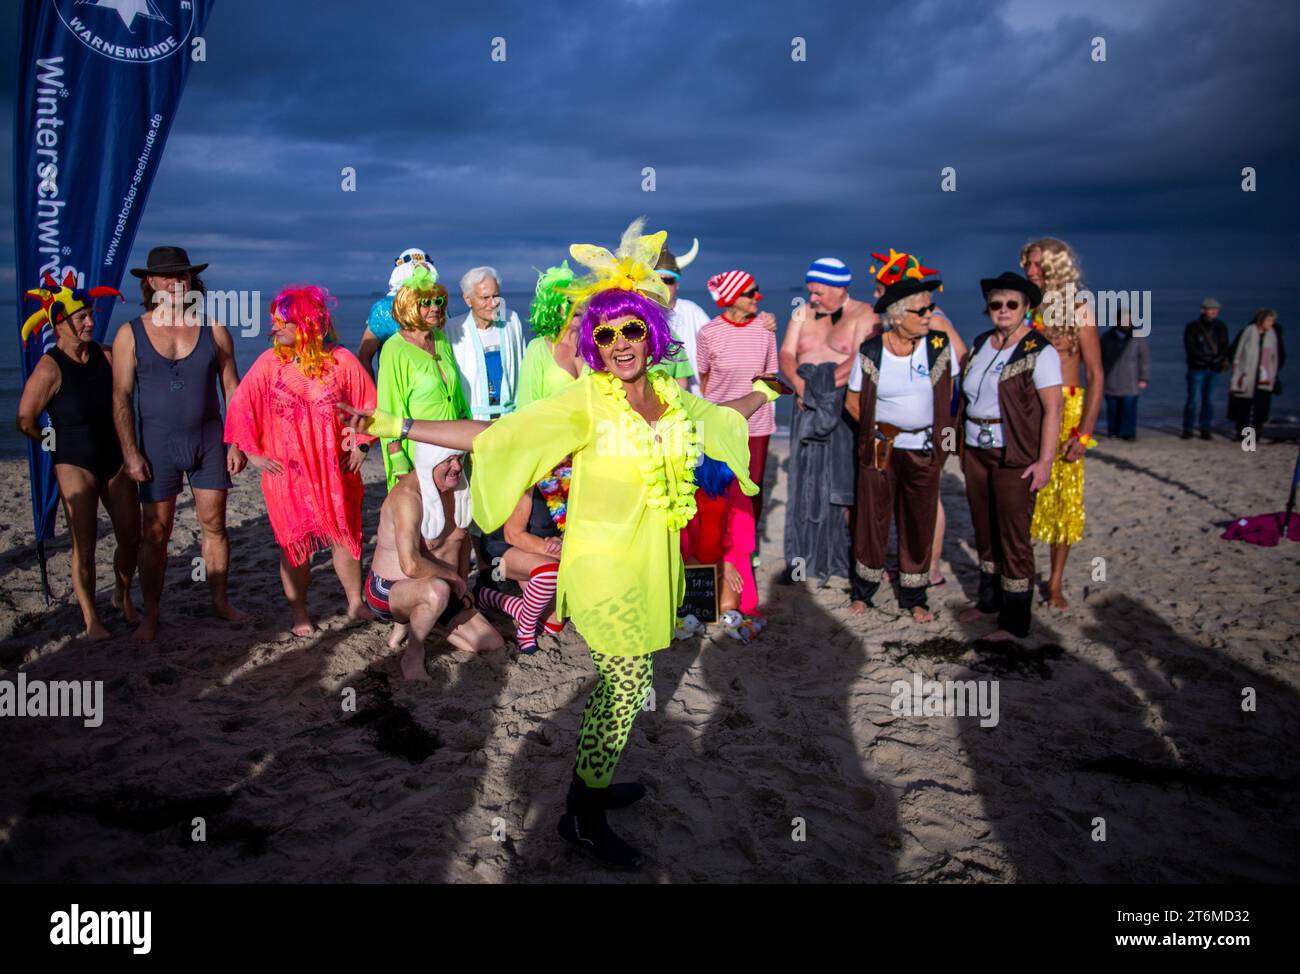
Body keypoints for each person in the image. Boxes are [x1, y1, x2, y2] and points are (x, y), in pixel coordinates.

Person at [341, 220, 786, 870]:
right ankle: (583, 812)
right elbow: (496, 433)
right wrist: (398, 422)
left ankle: (592, 786)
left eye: (632, 329)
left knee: (624, 687)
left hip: (651, 561)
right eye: (605, 334)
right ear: (595, 344)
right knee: (628, 681)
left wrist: (768, 390)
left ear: (651, 332)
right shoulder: (586, 403)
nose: (620, 343)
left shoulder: (668, 395)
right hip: (604, 564)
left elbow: (716, 418)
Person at [110, 246, 247, 643]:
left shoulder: (214, 330)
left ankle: (220, 602)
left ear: (192, 282)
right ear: (150, 282)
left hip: (208, 442)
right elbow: (120, 397)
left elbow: (232, 388)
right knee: (156, 533)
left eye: (182, 276)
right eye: (167, 276)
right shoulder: (129, 333)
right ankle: (151, 615)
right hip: (156, 447)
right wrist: (130, 452)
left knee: (215, 526)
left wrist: (235, 442)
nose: (176, 282)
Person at [223, 285, 377, 636]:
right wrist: (251, 453)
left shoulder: (342, 361)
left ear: (305, 324)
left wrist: (361, 445)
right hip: (286, 472)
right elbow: (241, 407)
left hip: (334, 469)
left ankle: (355, 602)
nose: (272, 329)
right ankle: (300, 614)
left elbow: (369, 404)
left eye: (280, 322)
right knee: (295, 543)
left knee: (345, 534)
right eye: (273, 322)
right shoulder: (268, 364)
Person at [17, 274, 140, 640]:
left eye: (90, 315)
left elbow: (129, 393)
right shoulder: (50, 367)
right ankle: (91, 618)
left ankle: (121, 594)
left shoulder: (104, 355)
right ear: (60, 324)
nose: (91, 322)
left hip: (114, 458)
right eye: (82, 317)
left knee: (131, 537)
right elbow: (24, 419)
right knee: (83, 544)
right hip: (74, 461)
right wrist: (49, 441)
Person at [957, 272, 1063, 642]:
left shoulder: (1040, 351)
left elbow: (1054, 409)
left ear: (1026, 308)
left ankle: (1014, 622)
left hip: (1014, 452)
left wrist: (1045, 461)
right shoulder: (981, 343)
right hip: (975, 449)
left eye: (1011, 304)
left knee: (1013, 536)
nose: (1003, 310)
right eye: (996, 304)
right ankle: (988, 602)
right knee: (984, 530)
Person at [845, 275, 956, 622]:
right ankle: (864, 592)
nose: (928, 315)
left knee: (918, 521)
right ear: (896, 314)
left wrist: (944, 442)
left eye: (930, 308)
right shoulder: (872, 350)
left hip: (922, 448)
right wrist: (881, 432)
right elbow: (851, 402)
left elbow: (948, 397)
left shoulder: (938, 345)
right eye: (920, 310)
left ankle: (914, 596)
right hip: (881, 449)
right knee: (871, 519)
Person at [868, 249, 967, 589]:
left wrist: (947, 420)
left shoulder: (933, 319)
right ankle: (916, 563)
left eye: (879, 288)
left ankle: (932, 566)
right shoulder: (897, 322)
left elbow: (962, 363)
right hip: (898, 433)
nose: (875, 295)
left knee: (929, 496)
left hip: (932, 427)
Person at [365, 442, 504, 679]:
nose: (457, 467)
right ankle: (413, 653)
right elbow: (410, 565)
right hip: (388, 589)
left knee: (491, 643)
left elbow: (460, 542)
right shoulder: (408, 497)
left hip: (440, 589)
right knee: (437, 591)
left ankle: (426, 620)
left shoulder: (459, 491)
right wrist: (454, 580)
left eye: (459, 458)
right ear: (429, 461)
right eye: (448, 460)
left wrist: (460, 584)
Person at [777, 258, 872, 585]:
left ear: (839, 288)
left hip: (843, 408)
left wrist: (820, 390)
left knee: (841, 487)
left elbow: (862, 360)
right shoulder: (801, 313)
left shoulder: (864, 314)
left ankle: (843, 559)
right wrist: (802, 386)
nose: (812, 299)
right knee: (803, 487)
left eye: (818, 293)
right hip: (804, 407)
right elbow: (787, 355)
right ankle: (803, 560)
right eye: (810, 292)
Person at [1023, 238, 1103, 610]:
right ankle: (1019, 573)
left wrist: (1084, 433)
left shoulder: (1079, 310)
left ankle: (1054, 583)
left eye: (1037, 264)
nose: (1030, 270)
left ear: (1056, 267)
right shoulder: (1021, 308)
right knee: (1021, 496)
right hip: (1025, 409)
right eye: (1028, 263)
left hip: (1068, 409)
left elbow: (1096, 375)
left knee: (1063, 504)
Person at [375, 264, 469, 490]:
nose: (435, 308)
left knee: (455, 521)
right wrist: (398, 461)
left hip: (452, 450)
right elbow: (388, 409)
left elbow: (454, 396)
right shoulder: (394, 349)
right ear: (409, 306)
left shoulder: (441, 340)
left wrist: (466, 436)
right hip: (418, 452)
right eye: (425, 303)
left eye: (438, 302)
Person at [696, 269, 780, 523]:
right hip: (719, 423)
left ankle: (749, 545)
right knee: (717, 484)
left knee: (752, 485)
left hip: (757, 425)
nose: (758, 297)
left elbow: (771, 377)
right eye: (751, 293)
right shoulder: (708, 333)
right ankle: (718, 545)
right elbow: (704, 379)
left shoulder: (766, 329)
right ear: (733, 297)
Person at [680, 455, 763, 635]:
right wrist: (686, 557)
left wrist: (729, 561)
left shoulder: (733, 483)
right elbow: (677, 527)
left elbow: (741, 525)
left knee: (728, 606)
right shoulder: (682, 479)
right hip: (691, 559)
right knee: (688, 610)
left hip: (725, 561)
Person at [446, 267, 527, 421]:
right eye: (485, 298)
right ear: (468, 299)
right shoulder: (453, 329)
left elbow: (523, 366)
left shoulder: (512, 321)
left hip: (510, 419)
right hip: (472, 421)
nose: (493, 303)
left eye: (496, 296)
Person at [356, 247, 436, 379]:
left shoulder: (436, 304)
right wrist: (374, 394)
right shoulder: (384, 308)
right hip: (396, 385)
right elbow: (364, 356)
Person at [654, 239, 712, 393]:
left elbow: (718, 341)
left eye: (668, 280)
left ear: (677, 284)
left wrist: (759, 325)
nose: (662, 286)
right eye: (657, 280)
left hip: (695, 397)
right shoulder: (641, 314)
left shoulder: (692, 310)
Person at [1228, 309, 1285, 438]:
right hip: (1246, 375)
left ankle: (1255, 434)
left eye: (1272, 320)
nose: (1271, 323)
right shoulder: (1247, 332)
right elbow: (1234, 352)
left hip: (1264, 377)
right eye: (1269, 320)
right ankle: (1243, 435)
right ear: (1261, 320)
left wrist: (1272, 372)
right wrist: (1238, 369)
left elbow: (1278, 356)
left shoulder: (1273, 335)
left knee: (1260, 409)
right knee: (1243, 407)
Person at [1181, 297, 1231, 440]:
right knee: (1193, 399)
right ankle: (1188, 428)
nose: (1214, 312)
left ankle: (1205, 428)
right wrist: (1204, 359)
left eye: (1216, 309)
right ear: (1203, 310)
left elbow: (1224, 346)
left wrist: (1216, 360)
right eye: (1211, 309)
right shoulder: (1193, 327)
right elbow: (1190, 347)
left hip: (1213, 368)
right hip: (1197, 367)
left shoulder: (1221, 327)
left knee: (1209, 400)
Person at [1100, 309, 1150, 440]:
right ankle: (1113, 431)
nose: (1127, 322)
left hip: (1131, 380)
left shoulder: (1138, 337)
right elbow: (1100, 359)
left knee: (1129, 409)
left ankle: (1128, 433)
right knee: (1113, 409)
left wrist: (1144, 377)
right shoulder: (1107, 337)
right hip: (1110, 379)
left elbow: (1144, 358)